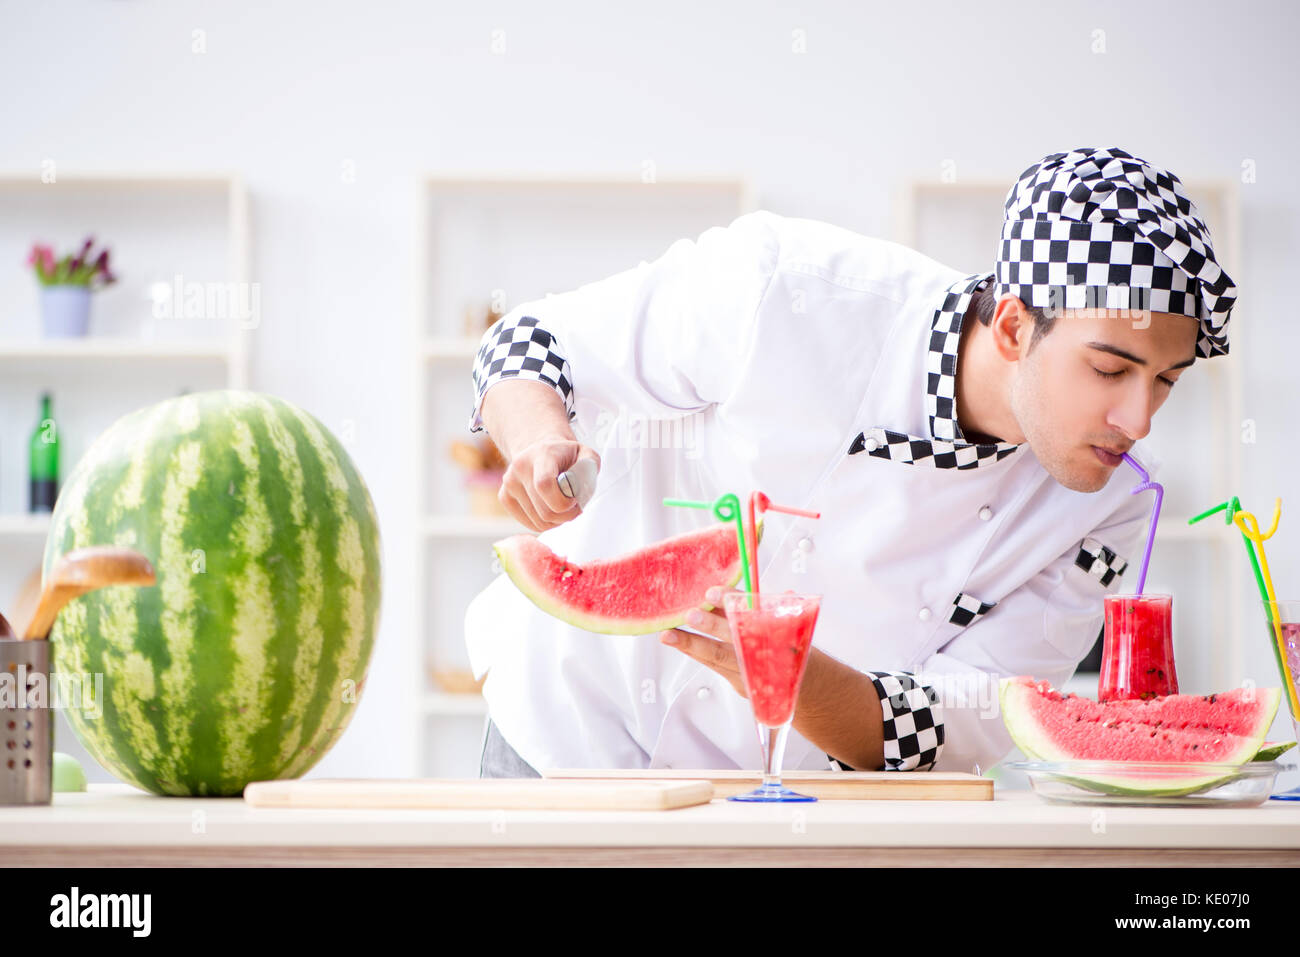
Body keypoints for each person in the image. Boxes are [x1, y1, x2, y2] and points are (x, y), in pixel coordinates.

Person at [464, 147, 1237, 778]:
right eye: (1110, 370)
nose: (1138, 419)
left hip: (774, 803)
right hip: (559, 740)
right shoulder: (787, 287)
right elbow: (534, 340)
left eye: (1166, 380)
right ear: (1010, 325)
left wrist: (779, 670)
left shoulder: (1114, 505)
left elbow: (951, 726)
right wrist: (537, 445)